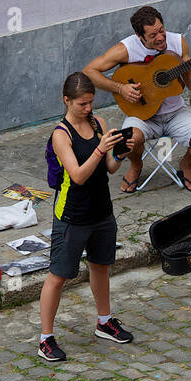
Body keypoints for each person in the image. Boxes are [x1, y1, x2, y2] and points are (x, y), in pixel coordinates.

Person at [37, 71, 133, 362]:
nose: (88, 108)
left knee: (100, 266)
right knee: (58, 275)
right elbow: (77, 175)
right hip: (72, 215)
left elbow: (110, 169)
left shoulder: (99, 123)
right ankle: (45, 338)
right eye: (82, 104)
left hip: (102, 210)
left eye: (91, 102)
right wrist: (100, 149)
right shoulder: (61, 134)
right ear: (66, 101)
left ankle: (104, 321)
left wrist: (118, 154)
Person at [81, 5, 191, 192]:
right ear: (140, 36)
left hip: (175, 113)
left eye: (161, 30)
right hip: (142, 115)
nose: (160, 37)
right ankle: (136, 165)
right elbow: (89, 71)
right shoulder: (126, 49)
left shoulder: (178, 42)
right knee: (129, 140)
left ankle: (186, 164)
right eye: (153, 35)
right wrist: (120, 88)